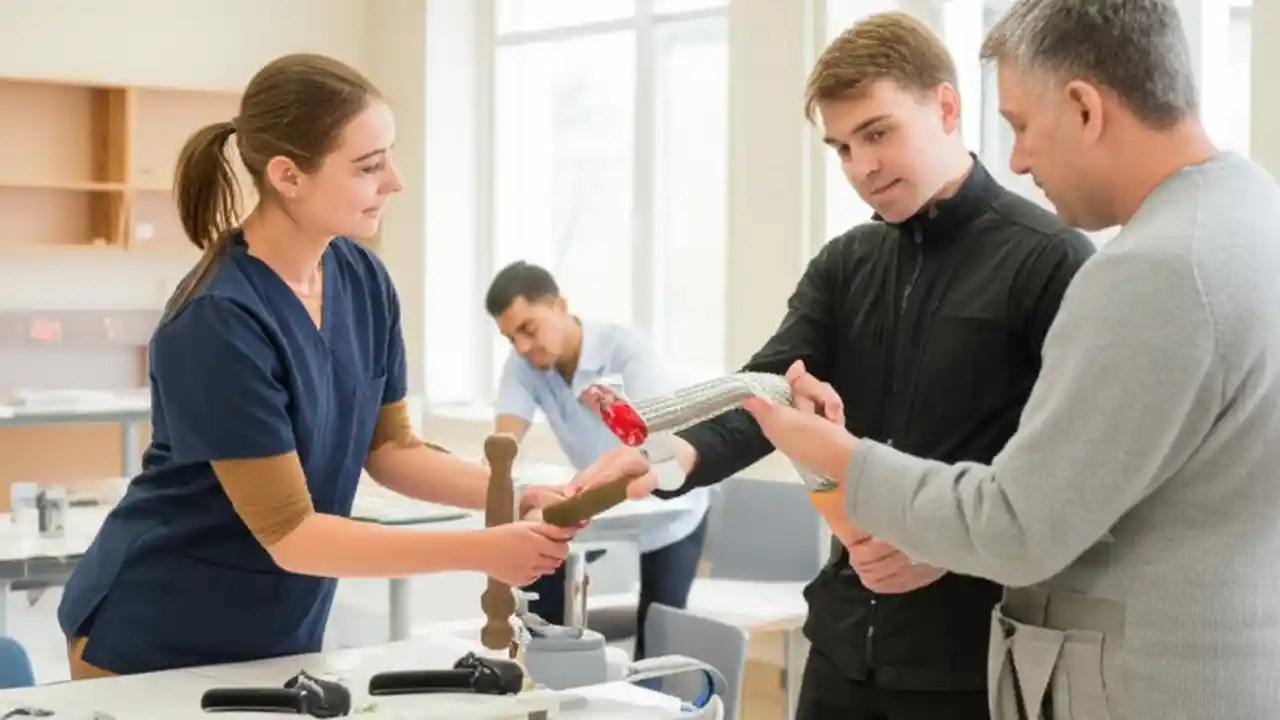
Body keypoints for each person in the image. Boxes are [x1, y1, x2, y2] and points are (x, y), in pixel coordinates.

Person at [728, 1, 1280, 718]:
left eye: (1021, 125)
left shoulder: (1151, 269)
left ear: (1084, 108)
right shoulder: (1252, 215)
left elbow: (1018, 525)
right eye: (842, 148)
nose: (1017, 157)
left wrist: (838, 456)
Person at [575, 11, 1094, 719]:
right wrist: (666, 462)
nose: (862, 167)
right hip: (842, 648)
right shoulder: (847, 264)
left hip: (970, 664)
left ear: (946, 107)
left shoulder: (1049, 261)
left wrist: (957, 548)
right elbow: (762, 396)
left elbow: (1068, 472)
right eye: (843, 147)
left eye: (878, 133)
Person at [56, 53, 578, 679]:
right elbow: (291, 533)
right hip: (159, 631)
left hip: (280, 628)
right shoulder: (219, 319)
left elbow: (389, 449)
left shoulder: (363, 280)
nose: (395, 182)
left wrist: (513, 497)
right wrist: (479, 550)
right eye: (369, 166)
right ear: (287, 175)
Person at [486, 260, 711, 659]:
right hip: (605, 509)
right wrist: (503, 485)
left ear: (559, 305)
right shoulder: (524, 365)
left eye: (528, 329)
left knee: (656, 643)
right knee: (542, 594)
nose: (521, 346)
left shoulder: (626, 351)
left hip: (670, 509)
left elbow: (655, 444)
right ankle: (553, 696)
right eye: (510, 338)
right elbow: (503, 444)